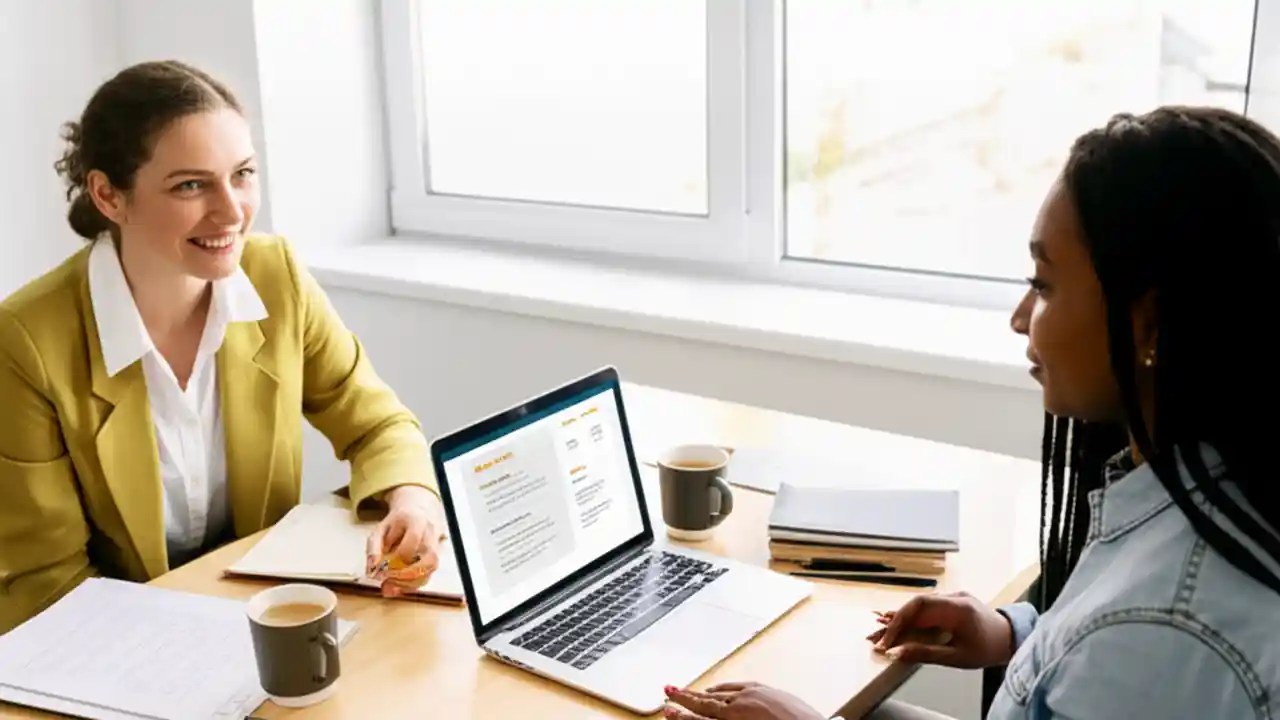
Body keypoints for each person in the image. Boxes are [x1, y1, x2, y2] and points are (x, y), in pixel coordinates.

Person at [663, 105, 1280, 719]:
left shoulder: (1161, 632)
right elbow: (1103, 656)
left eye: (1043, 284)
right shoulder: (1200, 495)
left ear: (1149, 324)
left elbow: (1132, 648)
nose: (1019, 318)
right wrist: (1017, 632)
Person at [0, 61, 444, 634]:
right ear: (109, 196)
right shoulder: (26, 341)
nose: (232, 211)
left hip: (264, 622)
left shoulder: (276, 275)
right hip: (117, 642)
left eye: (242, 173)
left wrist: (413, 500)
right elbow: (48, 581)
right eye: (191, 184)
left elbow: (377, 424)